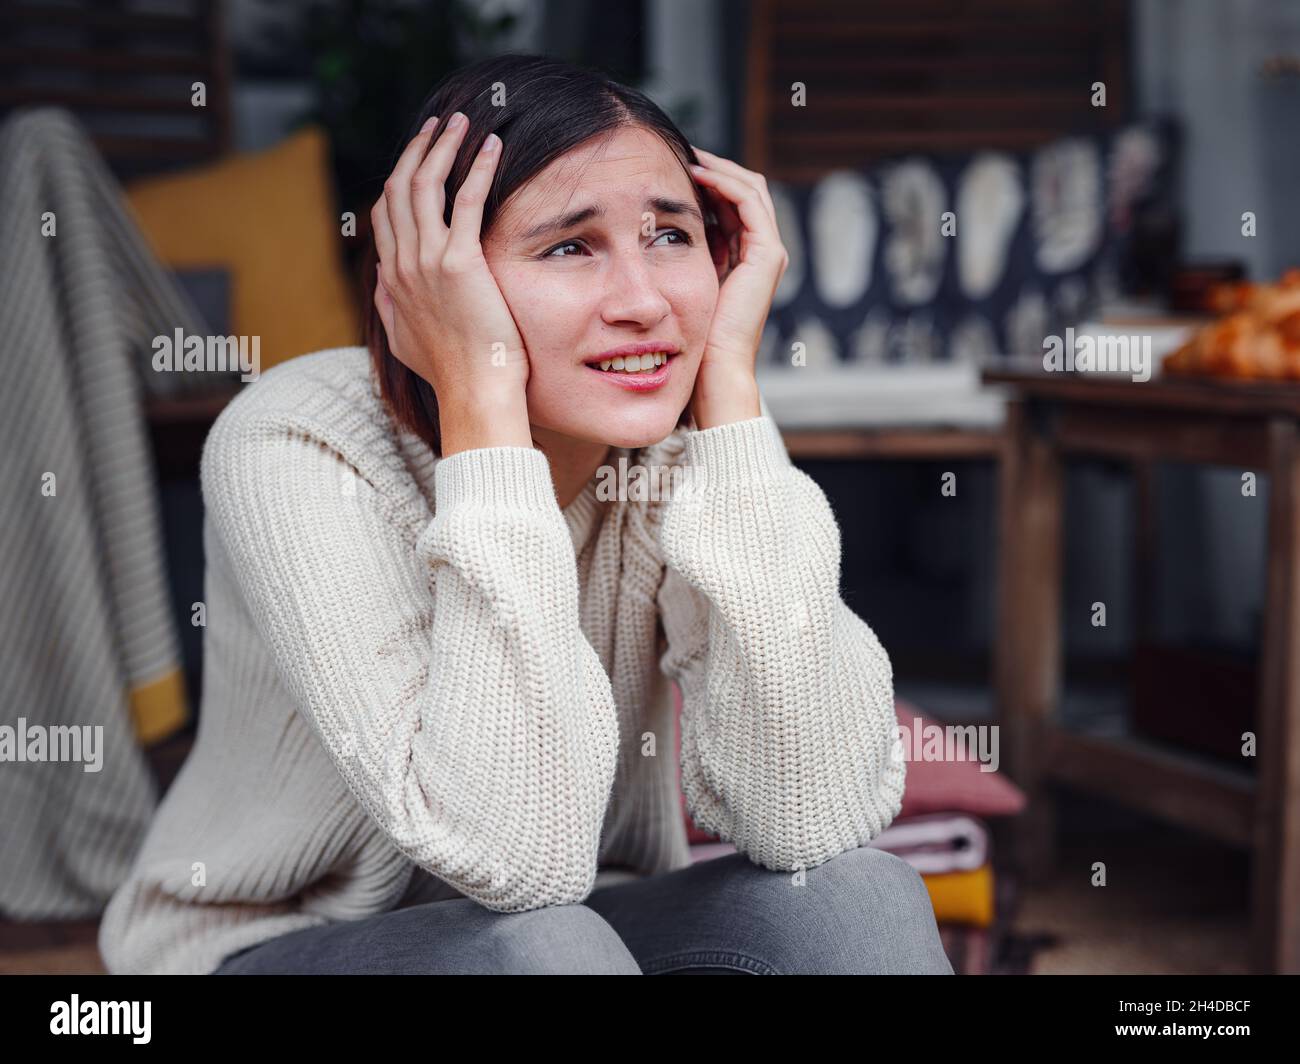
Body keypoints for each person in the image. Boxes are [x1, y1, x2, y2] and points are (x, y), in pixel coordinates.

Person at [98, 52, 953, 976]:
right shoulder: (296, 445)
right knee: (546, 946)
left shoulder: (676, 448)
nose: (645, 302)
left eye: (671, 236)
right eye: (568, 246)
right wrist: (483, 410)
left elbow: (809, 814)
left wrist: (733, 397)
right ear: (435, 275)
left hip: (584, 927)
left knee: (859, 895)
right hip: (276, 946)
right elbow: (516, 861)